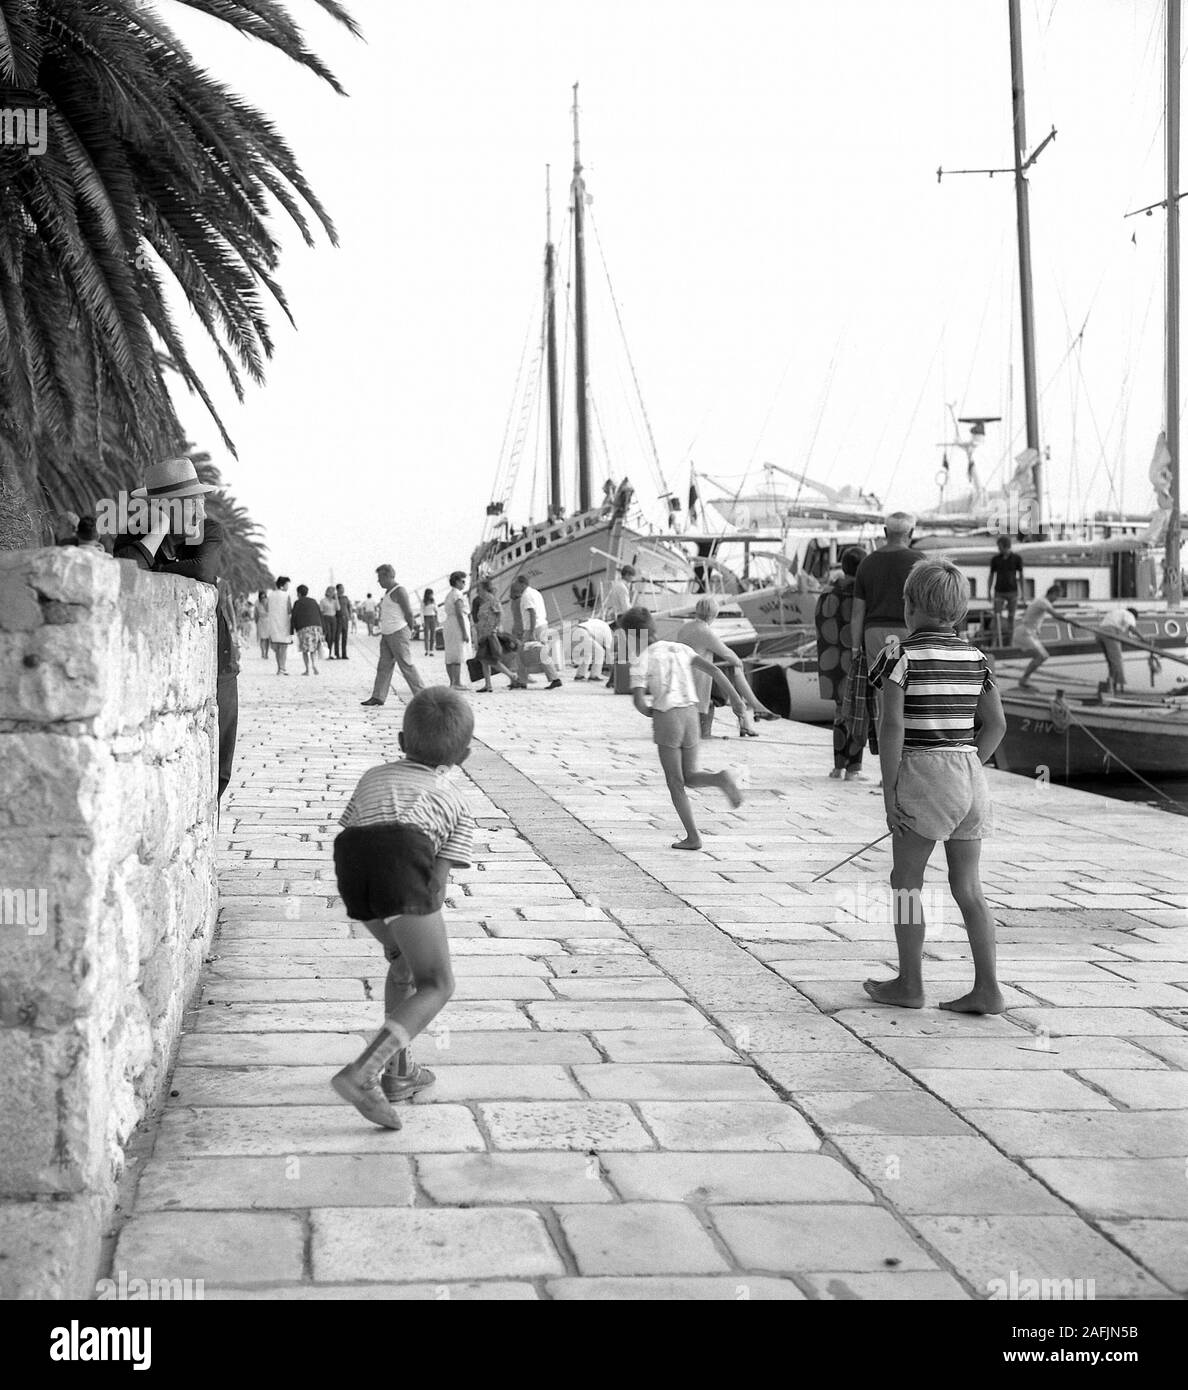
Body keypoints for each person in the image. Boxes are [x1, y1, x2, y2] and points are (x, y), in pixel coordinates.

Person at [865, 559, 1007, 1015]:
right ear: (960, 611)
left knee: (906, 881)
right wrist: (970, 765)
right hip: (970, 774)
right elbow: (997, 725)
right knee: (968, 886)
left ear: (909, 607)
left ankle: (910, 983)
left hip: (924, 774)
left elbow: (891, 727)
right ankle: (988, 988)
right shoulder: (976, 658)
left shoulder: (898, 655)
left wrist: (890, 792)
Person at [330, 688, 476, 1128]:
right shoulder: (454, 801)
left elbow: (354, 827)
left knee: (403, 966)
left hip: (352, 866)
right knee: (437, 981)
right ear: (464, 755)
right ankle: (364, 1071)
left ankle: (400, 1075)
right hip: (403, 861)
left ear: (400, 740)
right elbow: (434, 883)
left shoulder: (372, 776)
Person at [113, 455, 239, 802]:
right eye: (192, 501)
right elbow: (125, 570)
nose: (201, 506)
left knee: (220, 768)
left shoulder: (209, 530)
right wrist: (158, 530)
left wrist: (153, 569)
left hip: (219, 662)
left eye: (201, 498)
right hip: (158, 668)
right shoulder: (137, 533)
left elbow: (202, 572)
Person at [624, 605, 746, 851]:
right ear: (654, 627)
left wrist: (650, 712)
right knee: (690, 776)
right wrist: (735, 699)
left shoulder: (641, 660)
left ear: (633, 636)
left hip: (667, 716)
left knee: (676, 782)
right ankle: (720, 778)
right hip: (691, 714)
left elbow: (638, 701)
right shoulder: (682, 649)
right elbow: (714, 669)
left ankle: (693, 837)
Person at [675, 596, 767, 738]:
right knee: (735, 668)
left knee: (732, 670)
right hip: (697, 681)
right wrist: (739, 664)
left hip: (685, 677)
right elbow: (729, 655)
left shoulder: (685, 627)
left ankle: (750, 715)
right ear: (713, 615)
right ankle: (751, 712)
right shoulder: (704, 631)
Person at [814, 546, 868, 777]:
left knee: (840, 712)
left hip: (831, 662)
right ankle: (853, 767)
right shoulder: (861, 593)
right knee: (859, 714)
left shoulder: (827, 592)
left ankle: (838, 766)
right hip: (856, 659)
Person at [850, 512, 925, 665]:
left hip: (874, 633)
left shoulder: (867, 563)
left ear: (885, 532)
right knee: (908, 684)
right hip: (908, 630)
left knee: (881, 685)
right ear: (911, 532)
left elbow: (857, 613)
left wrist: (855, 649)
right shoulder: (920, 562)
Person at [362, 564, 425, 706]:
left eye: (380, 578)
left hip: (398, 632)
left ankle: (422, 695)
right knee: (383, 666)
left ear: (387, 576)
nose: (378, 581)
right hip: (387, 634)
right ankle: (378, 696)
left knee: (406, 665)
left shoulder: (399, 591)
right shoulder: (388, 592)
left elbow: (408, 612)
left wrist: (411, 629)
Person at [509, 574, 562, 689]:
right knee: (535, 652)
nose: (514, 585)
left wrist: (531, 631)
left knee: (523, 651)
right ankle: (550, 678)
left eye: (516, 583)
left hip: (534, 627)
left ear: (522, 584)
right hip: (542, 625)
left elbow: (532, 613)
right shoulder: (535, 592)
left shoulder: (526, 595)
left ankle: (524, 680)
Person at [472, 578, 522, 692]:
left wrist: (495, 628)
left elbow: (500, 614)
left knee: (490, 660)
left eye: (479, 589)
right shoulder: (484, 601)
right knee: (484, 660)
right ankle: (488, 684)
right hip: (483, 634)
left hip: (490, 634)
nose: (477, 591)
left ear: (484, 589)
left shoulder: (492, 600)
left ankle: (512, 676)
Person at [1016, 584, 1064, 689]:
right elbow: (1055, 615)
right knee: (1042, 656)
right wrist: (1072, 622)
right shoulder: (1043, 602)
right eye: (1057, 597)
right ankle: (1024, 679)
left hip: (1029, 632)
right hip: (1026, 633)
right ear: (1053, 593)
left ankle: (1025, 679)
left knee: (1041, 656)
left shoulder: (1039, 600)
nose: (1056, 600)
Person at [1095, 605, 1140, 693]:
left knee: (1111, 662)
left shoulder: (1116, 613)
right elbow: (1132, 628)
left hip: (1099, 634)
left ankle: (1111, 686)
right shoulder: (1129, 615)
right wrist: (1143, 639)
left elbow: (1123, 630)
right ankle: (1118, 688)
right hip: (1110, 633)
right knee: (1117, 660)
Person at [989, 535, 1024, 646]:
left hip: (1013, 592)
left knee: (1011, 617)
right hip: (999, 591)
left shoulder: (1017, 559)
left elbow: (1021, 576)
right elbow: (991, 575)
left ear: (1005, 546)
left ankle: (1010, 642)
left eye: (999, 547)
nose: (998, 549)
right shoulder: (995, 559)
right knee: (996, 616)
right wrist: (989, 591)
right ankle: (994, 642)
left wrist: (1023, 593)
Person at [439, 571, 471, 690]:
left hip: (449, 624)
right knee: (458, 652)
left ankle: (452, 681)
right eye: (462, 581)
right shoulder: (458, 595)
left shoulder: (449, 595)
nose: (464, 584)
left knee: (450, 652)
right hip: (456, 624)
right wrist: (464, 632)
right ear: (457, 582)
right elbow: (459, 614)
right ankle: (456, 682)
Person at [261, 576, 293, 674]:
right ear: (282, 585)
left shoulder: (271, 595)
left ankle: (279, 668)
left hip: (273, 623)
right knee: (283, 647)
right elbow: (289, 610)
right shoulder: (286, 595)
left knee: (277, 647)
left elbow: (266, 608)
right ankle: (282, 668)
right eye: (287, 584)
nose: (288, 586)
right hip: (284, 623)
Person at [291, 584, 324, 676]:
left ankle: (307, 670)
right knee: (313, 649)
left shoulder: (297, 602)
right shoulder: (313, 601)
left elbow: (294, 616)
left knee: (305, 651)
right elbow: (320, 614)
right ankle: (314, 665)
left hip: (304, 628)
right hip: (316, 627)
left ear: (299, 593)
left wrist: (291, 630)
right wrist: (322, 629)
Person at [572, 615, 614, 682]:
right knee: (600, 652)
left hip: (576, 631)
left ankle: (579, 675)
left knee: (588, 654)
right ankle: (594, 676)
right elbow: (608, 656)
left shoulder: (601, 625)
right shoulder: (608, 633)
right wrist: (613, 672)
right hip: (584, 633)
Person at [334, 583, 352, 660]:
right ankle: (337, 654)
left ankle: (344, 654)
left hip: (345, 619)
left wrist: (349, 616)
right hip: (337, 619)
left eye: (343, 588)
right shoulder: (335, 598)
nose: (343, 589)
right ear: (338, 589)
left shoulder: (346, 598)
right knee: (337, 637)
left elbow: (349, 607)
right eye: (341, 588)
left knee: (345, 637)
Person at [320, 587, 339, 657]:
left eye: (333, 592)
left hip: (333, 618)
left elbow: (338, 608)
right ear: (327, 592)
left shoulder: (334, 601)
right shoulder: (323, 601)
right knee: (328, 636)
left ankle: (330, 653)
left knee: (333, 637)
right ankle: (326, 653)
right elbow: (321, 612)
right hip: (326, 618)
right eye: (331, 591)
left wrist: (336, 598)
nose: (332, 593)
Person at [421, 589, 439, 657]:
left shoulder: (433, 601)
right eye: (430, 594)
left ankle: (431, 650)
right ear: (427, 594)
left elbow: (436, 610)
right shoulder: (423, 601)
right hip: (426, 618)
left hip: (433, 617)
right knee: (426, 635)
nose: (431, 595)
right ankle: (426, 650)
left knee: (433, 634)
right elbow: (421, 611)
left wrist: (437, 620)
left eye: (432, 594)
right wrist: (422, 621)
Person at [255, 589, 270, 659]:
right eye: (262, 597)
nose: (263, 598)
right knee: (262, 638)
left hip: (268, 621)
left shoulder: (269, 602)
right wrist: (256, 621)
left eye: (264, 597)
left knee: (267, 639)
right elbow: (256, 613)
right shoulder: (257, 603)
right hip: (261, 621)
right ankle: (262, 653)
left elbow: (270, 611)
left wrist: (265, 603)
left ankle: (266, 653)